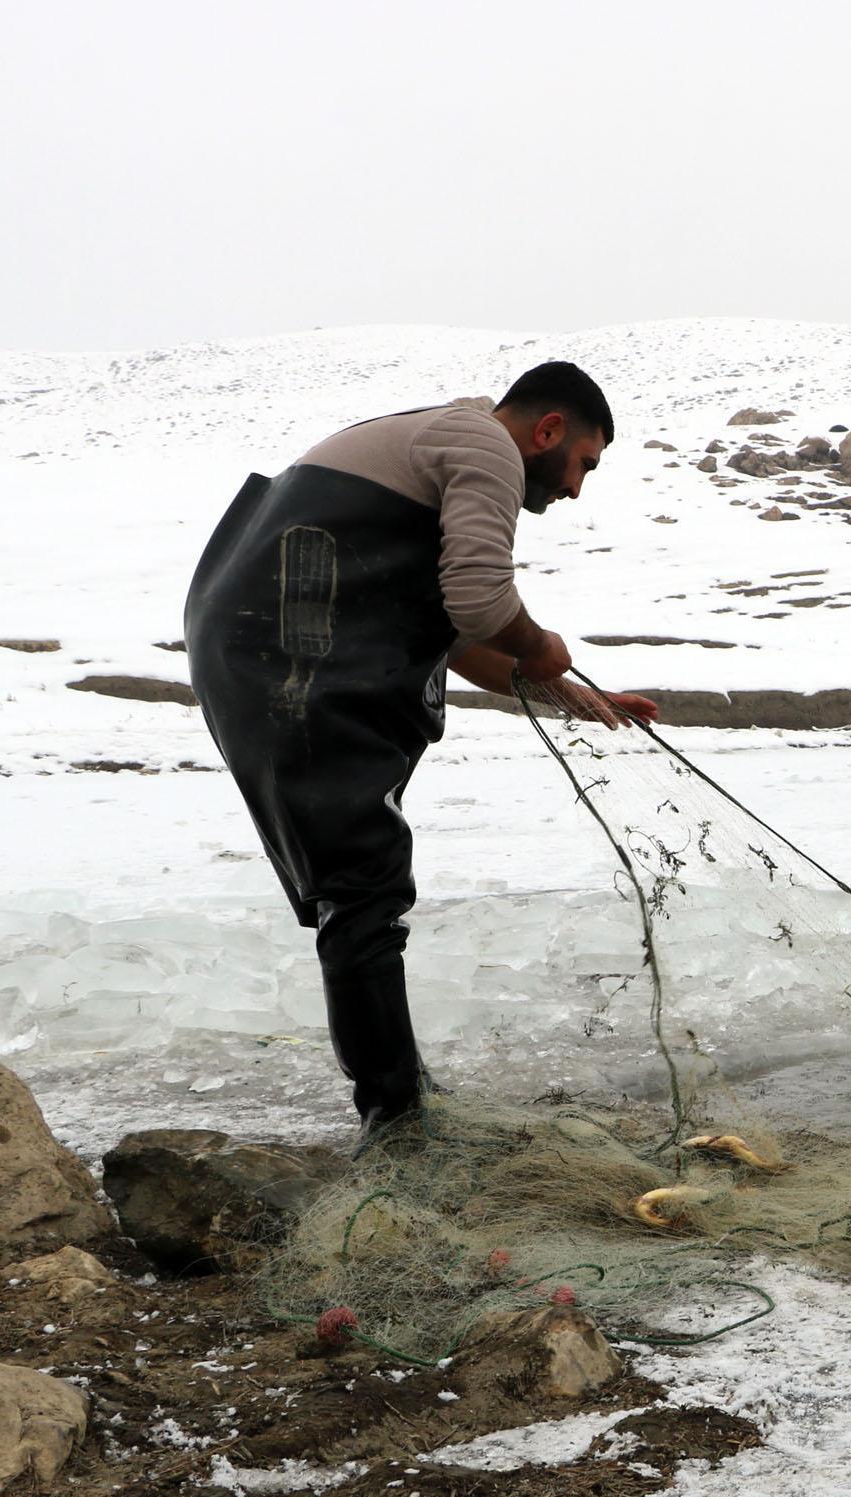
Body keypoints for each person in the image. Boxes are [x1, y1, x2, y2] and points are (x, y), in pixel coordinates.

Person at [184, 362, 659, 1155]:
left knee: (357, 881)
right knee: (363, 885)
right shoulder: (484, 444)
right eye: (583, 463)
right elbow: (482, 600)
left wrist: (577, 697)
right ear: (547, 430)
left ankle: (396, 1094)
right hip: (292, 650)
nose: (577, 488)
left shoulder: (438, 444)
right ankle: (395, 1116)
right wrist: (542, 643)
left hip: (261, 641)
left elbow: (457, 636)